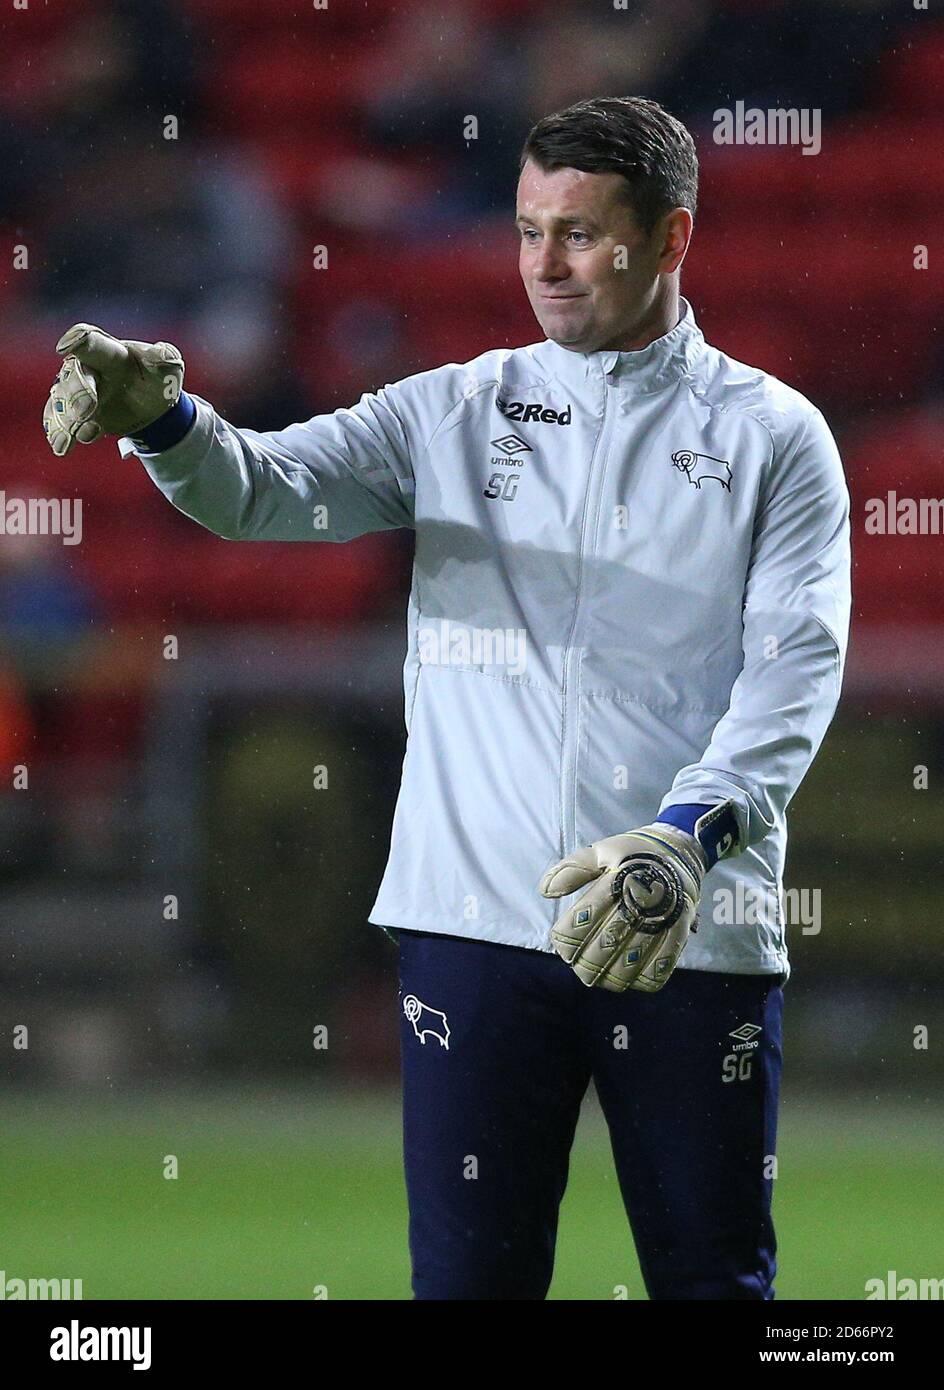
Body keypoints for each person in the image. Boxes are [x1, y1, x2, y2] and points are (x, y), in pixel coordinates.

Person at [43, 96, 851, 1301]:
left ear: (671, 239)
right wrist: (162, 421)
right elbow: (264, 490)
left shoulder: (773, 436)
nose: (543, 263)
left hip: (685, 924)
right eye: (527, 230)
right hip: (474, 931)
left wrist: (687, 840)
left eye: (578, 233)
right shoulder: (452, 409)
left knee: (713, 1284)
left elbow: (794, 668)